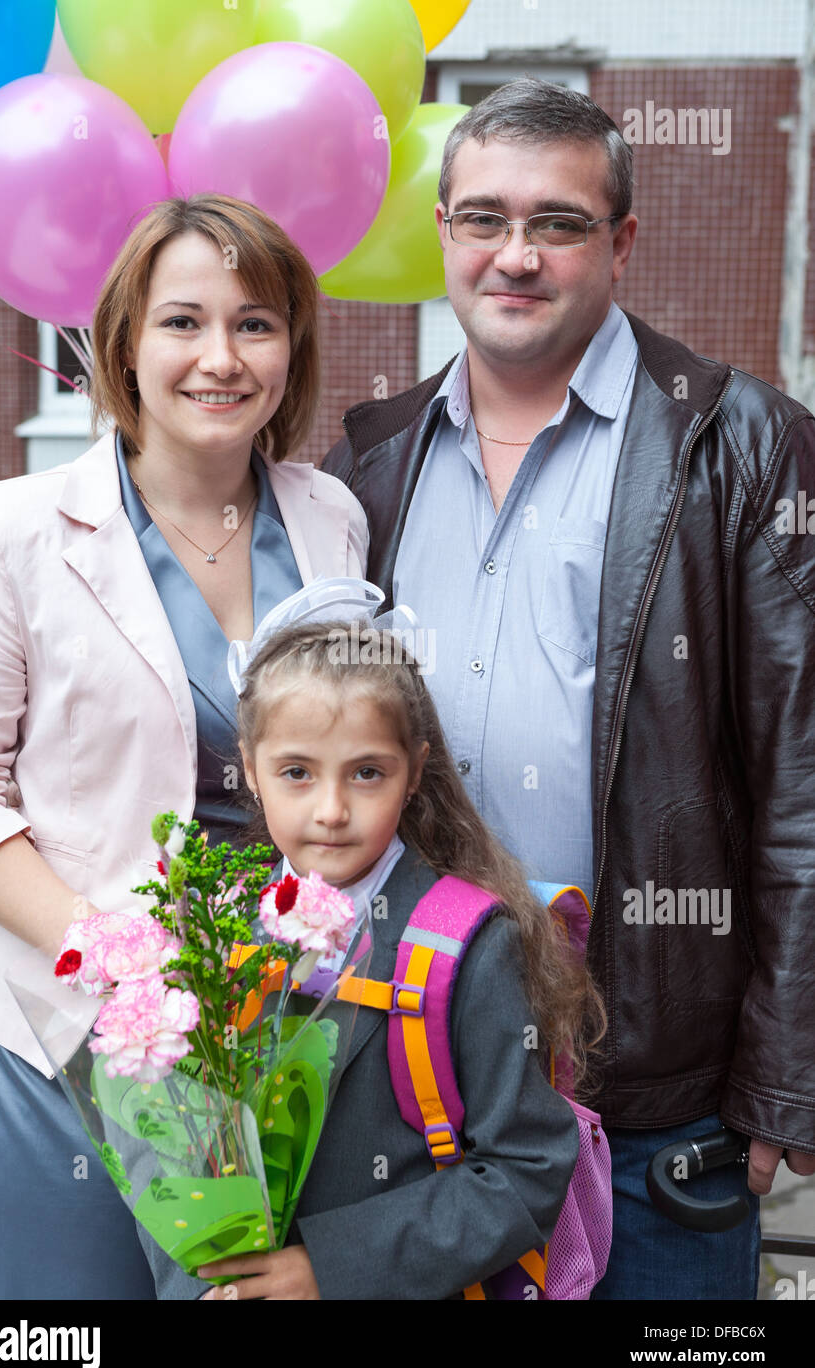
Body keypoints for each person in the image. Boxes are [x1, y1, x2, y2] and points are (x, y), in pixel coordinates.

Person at [320, 77, 815, 1299]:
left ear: (622, 242)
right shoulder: (366, 461)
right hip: (418, 1084)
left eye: (558, 222)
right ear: (442, 230)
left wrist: (781, 1081)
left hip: (654, 1097)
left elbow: (803, 782)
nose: (516, 255)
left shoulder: (742, 445)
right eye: (483, 218)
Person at [0, 194, 369, 1299]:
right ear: (124, 346)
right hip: (61, 1032)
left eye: (256, 323)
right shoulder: (14, 529)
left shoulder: (331, 519)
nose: (219, 357)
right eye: (182, 322)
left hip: (273, 1037)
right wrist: (123, 962)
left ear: (293, 349)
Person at [193, 588, 603, 1299]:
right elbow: (172, 1145)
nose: (331, 810)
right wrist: (201, 1281)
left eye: (367, 773)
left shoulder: (468, 943)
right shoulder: (216, 924)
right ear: (250, 769)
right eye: (297, 772)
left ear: (414, 772)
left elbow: (527, 1167)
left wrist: (330, 1268)